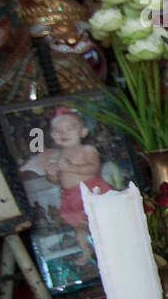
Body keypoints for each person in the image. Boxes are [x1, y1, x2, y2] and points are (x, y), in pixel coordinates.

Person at [21, 107, 111, 266]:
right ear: (51, 135)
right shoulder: (57, 155)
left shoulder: (87, 149)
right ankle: (87, 251)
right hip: (70, 196)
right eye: (57, 131)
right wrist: (52, 174)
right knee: (80, 229)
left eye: (69, 129)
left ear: (83, 132)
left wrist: (69, 167)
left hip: (90, 191)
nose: (63, 134)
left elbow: (92, 168)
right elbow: (57, 180)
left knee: (101, 224)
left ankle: (108, 249)